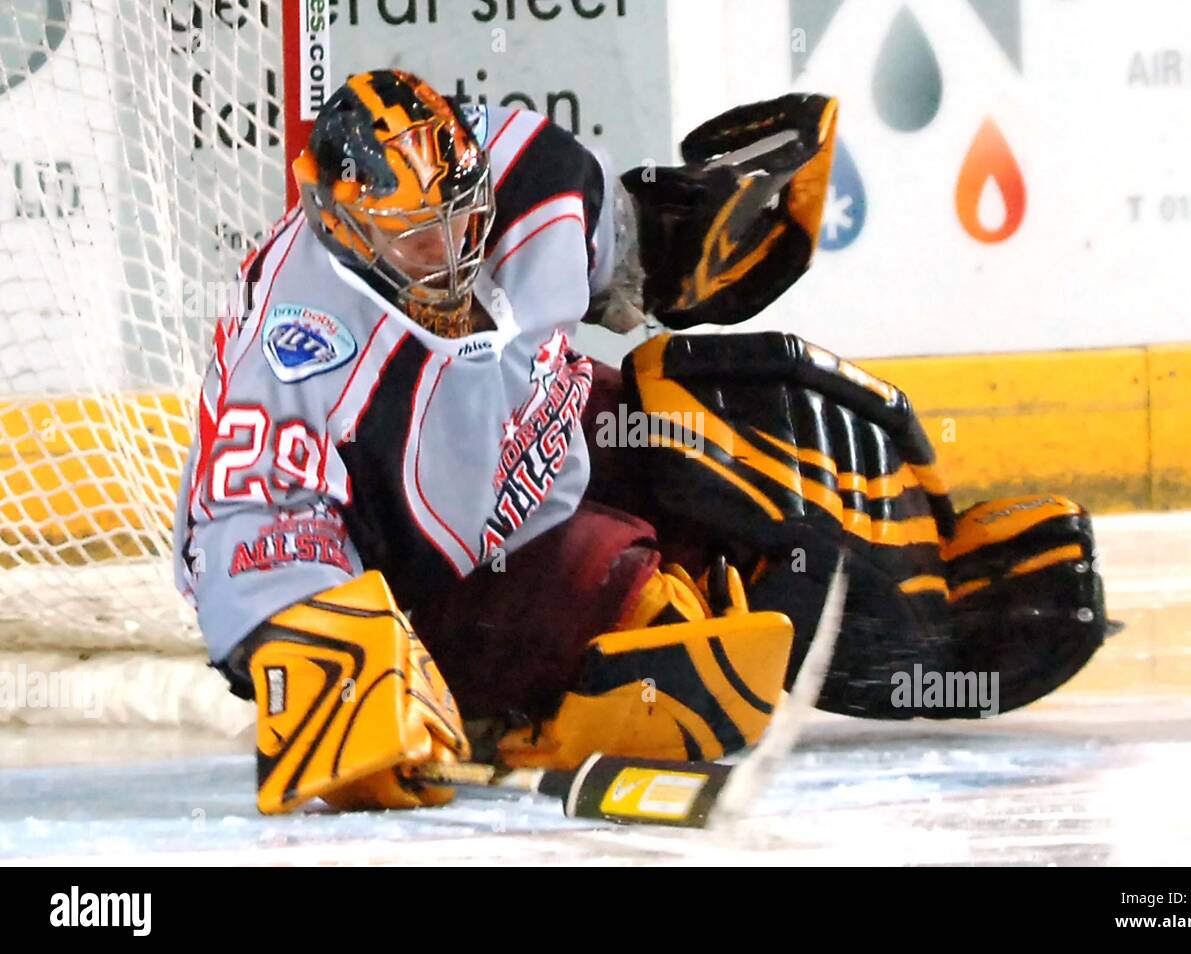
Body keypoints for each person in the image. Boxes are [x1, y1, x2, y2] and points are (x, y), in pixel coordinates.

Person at [175, 70, 1110, 815]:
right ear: (336, 223)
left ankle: (932, 596)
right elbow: (245, 542)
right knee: (665, 630)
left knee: (754, 438)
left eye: (464, 216)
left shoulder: (511, 173)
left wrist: (705, 226)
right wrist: (345, 695)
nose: (455, 250)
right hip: (442, 581)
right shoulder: (297, 353)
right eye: (420, 237)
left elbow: (627, 256)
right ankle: (536, 702)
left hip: (547, 434)